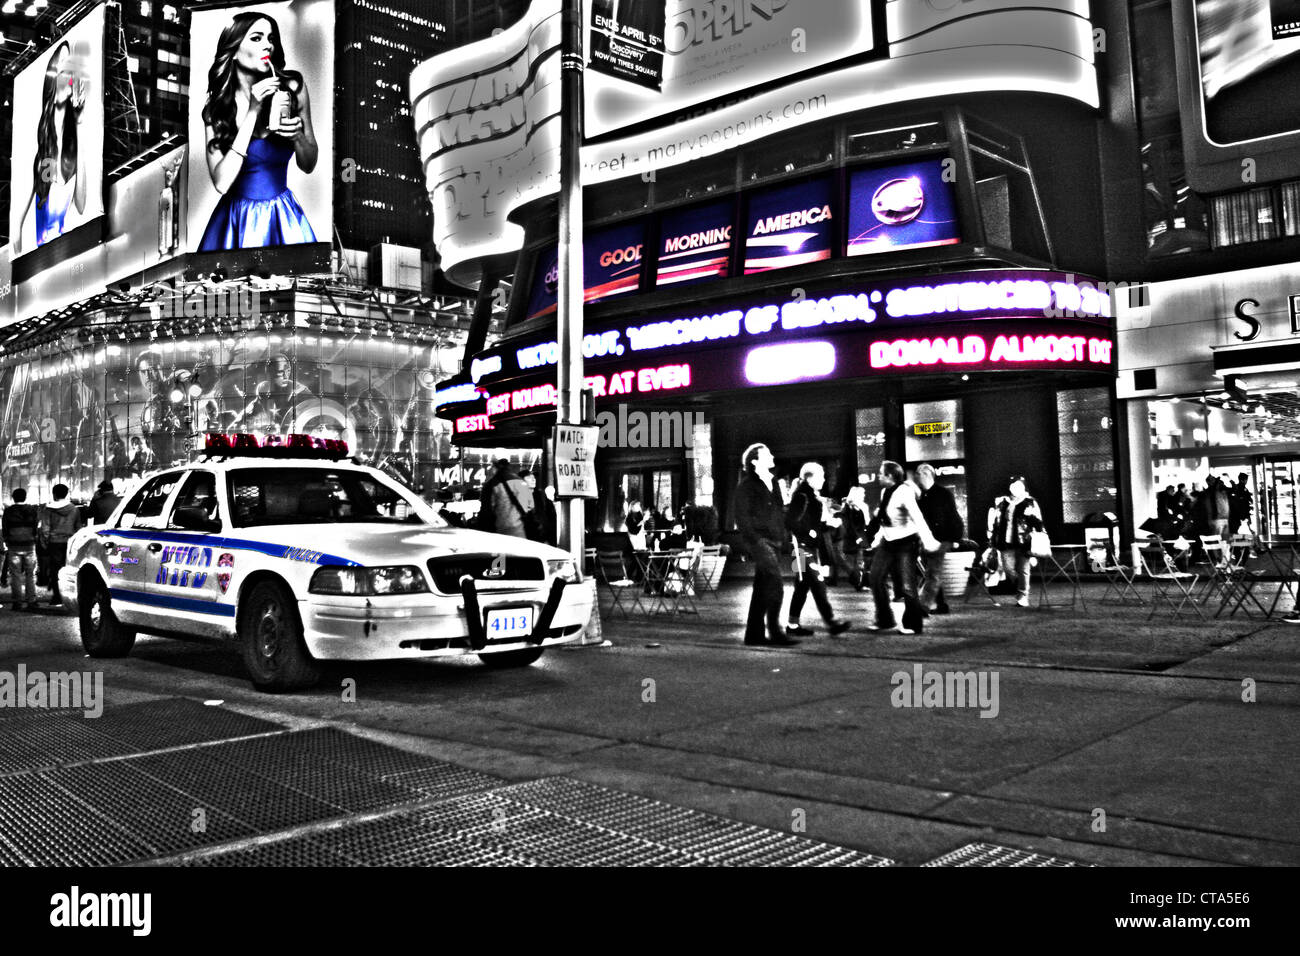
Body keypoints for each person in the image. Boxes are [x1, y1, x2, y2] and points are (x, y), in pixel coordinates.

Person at [199, 12, 318, 250]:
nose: (268, 45)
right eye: (256, 38)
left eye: (271, 38)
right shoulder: (217, 110)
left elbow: (309, 164)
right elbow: (221, 183)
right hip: (234, 222)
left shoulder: (292, 88)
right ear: (233, 50)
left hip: (282, 217)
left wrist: (297, 137)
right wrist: (253, 111)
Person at [15, 40, 89, 253]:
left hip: (67, 258)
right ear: (53, 78)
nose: (69, 75)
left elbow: (82, 206)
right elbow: (16, 229)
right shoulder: (40, 158)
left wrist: (79, 123)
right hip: (40, 262)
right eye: (63, 67)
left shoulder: (72, 149)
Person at [734, 442, 798, 647]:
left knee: (761, 588)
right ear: (754, 461)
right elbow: (742, 517)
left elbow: (779, 512)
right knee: (775, 585)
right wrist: (755, 539)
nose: (772, 456)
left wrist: (784, 536)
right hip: (760, 541)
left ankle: (753, 635)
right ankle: (775, 632)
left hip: (776, 540)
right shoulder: (746, 486)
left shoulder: (774, 482)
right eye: (767, 454)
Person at [868, 461, 939, 634]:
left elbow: (917, 517)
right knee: (875, 579)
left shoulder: (904, 492)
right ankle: (885, 619)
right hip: (888, 542)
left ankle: (913, 624)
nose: (878, 476)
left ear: (890, 476)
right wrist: (877, 539)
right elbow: (885, 521)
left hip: (906, 543)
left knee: (907, 586)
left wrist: (928, 540)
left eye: (881, 474)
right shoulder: (885, 491)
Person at [784, 463, 852, 637]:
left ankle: (792, 625)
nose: (824, 479)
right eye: (820, 476)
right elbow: (791, 522)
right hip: (801, 549)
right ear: (809, 478)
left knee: (802, 586)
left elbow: (807, 521)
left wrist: (824, 525)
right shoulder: (802, 496)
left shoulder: (809, 496)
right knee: (818, 584)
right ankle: (831, 623)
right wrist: (812, 532)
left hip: (806, 548)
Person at [987, 476, 1045, 607]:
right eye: (1014, 485)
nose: (1016, 488)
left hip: (1024, 541)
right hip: (1005, 542)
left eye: (1019, 485)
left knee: (1024, 569)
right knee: (1008, 569)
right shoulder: (1002, 502)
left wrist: (1032, 520)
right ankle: (1021, 586)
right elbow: (996, 522)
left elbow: (1038, 521)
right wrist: (993, 539)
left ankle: (1022, 596)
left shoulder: (1029, 502)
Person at [915, 463, 965, 615]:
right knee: (932, 572)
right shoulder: (924, 496)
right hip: (930, 539)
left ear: (926, 474)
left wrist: (955, 538)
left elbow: (952, 516)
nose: (916, 476)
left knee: (932, 572)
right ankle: (941, 605)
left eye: (918, 474)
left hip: (941, 539)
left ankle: (923, 606)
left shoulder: (941, 494)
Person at [38, 483, 84, 607]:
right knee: (69, 569)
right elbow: (78, 527)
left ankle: (57, 596)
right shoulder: (74, 509)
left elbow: (45, 528)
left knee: (55, 570)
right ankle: (71, 595)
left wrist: (45, 542)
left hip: (54, 543)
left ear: (54, 494)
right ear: (66, 494)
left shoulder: (48, 509)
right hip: (70, 542)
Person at [2, 489, 41, 612]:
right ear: (25, 497)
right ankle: (31, 600)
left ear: (13, 498)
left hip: (14, 546)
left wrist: (7, 541)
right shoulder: (33, 510)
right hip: (29, 546)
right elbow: (36, 527)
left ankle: (17, 602)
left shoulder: (8, 511)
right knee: (30, 574)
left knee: (15, 575)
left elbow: (5, 529)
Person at [482, 459, 535, 539]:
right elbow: (531, 505)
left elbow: (487, 511)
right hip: (520, 531)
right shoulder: (521, 482)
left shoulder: (492, 484)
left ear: (496, 469)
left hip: (500, 532)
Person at [840, 485, 870, 589]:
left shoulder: (857, 507)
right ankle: (858, 582)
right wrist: (858, 537)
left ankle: (860, 582)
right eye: (862, 494)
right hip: (854, 538)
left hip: (858, 538)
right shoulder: (850, 509)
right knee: (857, 562)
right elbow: (850, 525)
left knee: (859, 562)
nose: (864, 495)